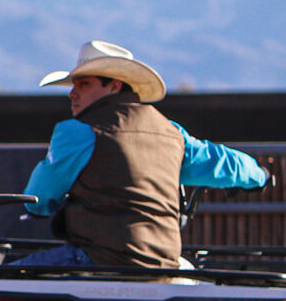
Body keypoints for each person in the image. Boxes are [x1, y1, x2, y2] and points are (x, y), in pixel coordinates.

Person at [19, 40, 267, 268]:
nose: (72, 93)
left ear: (114, 86)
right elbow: (222, 162)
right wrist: (259, 175)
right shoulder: (172, 133)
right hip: (164, 264)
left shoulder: (77, 131)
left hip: (95, 259)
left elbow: (40, 198)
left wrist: (34, 208)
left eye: (84, 84)